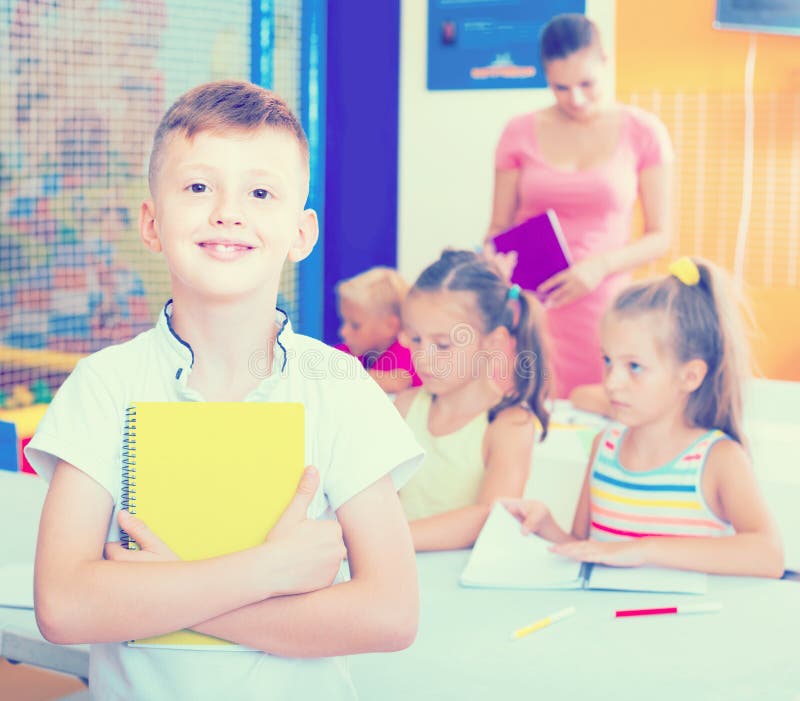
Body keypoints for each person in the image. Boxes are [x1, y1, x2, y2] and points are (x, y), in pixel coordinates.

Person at [26, 80, 424, 701]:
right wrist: (269, 572)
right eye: (197, 187)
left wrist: (166, 594)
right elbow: (65, 607)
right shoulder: (103, 386)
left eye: (261, 192)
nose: (227, 212)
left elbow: (391, 612)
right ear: (152, 224)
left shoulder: (341, 388)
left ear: (301, 233)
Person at [504, 257, 784, 578]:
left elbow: (769, 556)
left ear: (690, 376)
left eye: (634, 366)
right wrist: (547, 527)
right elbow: (588, 550)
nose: (611, 381)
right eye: (608, 360)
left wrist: (644, 550)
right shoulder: (604, 448)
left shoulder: (719, 460)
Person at [487, 13, 673, 398]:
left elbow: (662, 236)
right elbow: (496, 230)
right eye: (561, 87)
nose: (576, 99)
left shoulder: (644, 132)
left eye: (587, 83)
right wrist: (493, 263)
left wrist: (599, 266)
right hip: (530, 308)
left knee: (599, 407)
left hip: (603, 307)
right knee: (523, 408)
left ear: (606, 60)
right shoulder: (518, 132)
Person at [394, 249, 550, 551]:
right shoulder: (405, 407)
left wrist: (383, 543)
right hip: (399, 572)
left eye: (442, 345)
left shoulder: (508, 425)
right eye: (415, 339)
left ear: (492, 344)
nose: (423, 358)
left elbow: (491, 519)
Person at [335, 266, 422, 393]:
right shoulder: (352, 351)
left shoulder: (406, 354)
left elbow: (397, 383)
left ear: (390, 326)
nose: (343, 332)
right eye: (344, 322)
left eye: (355, 325)